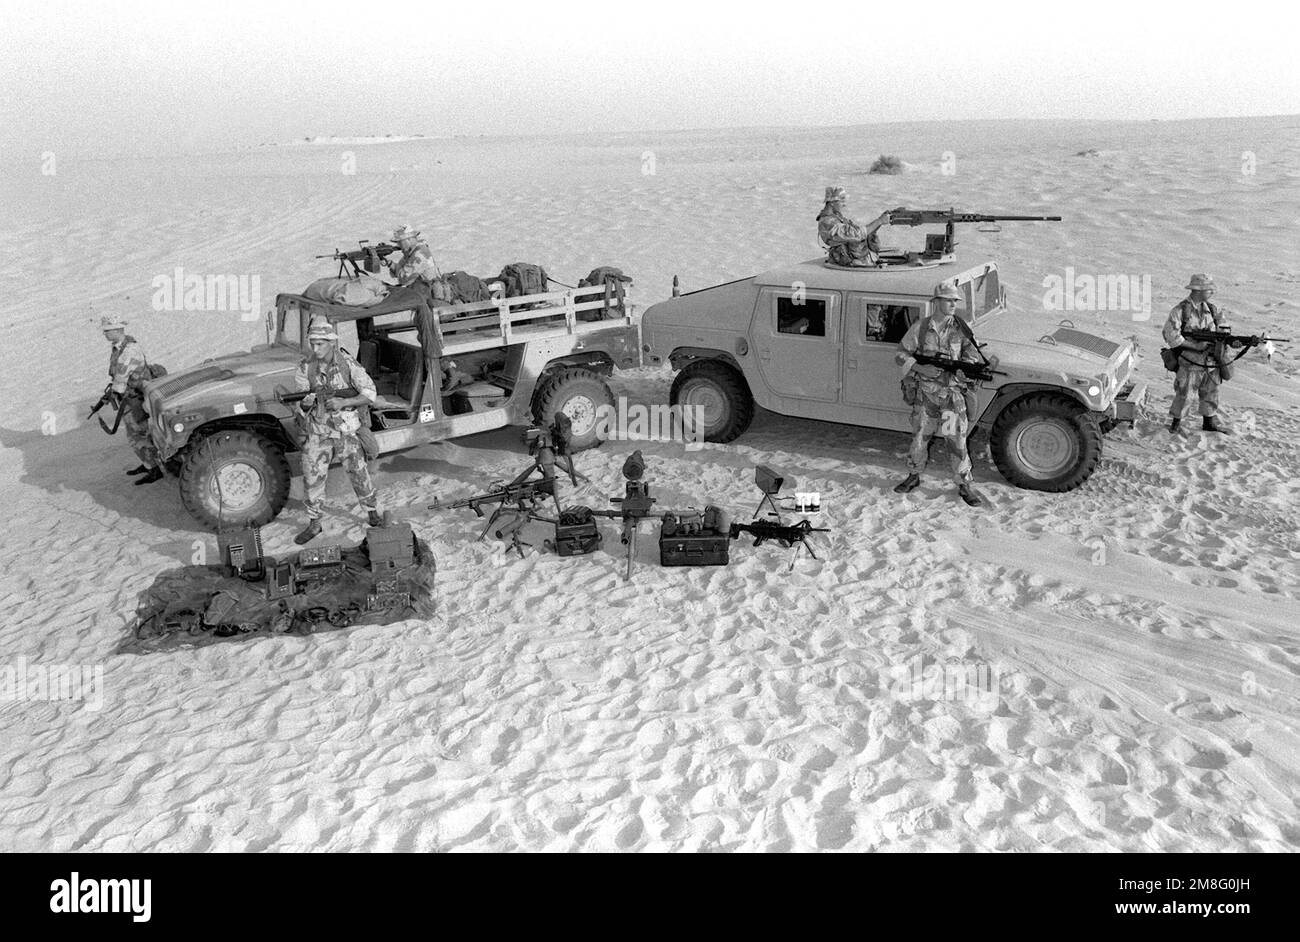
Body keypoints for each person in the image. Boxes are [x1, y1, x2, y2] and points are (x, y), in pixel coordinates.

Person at [893, 283, 989, 506]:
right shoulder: (922, 327)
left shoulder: (961, 328)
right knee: (920, 438)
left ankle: (964, 484)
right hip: (926, 395)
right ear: (936, 302)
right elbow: (900, 355)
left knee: (956, 440)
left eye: (955, 301)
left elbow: (972, 354)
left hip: (951, 397)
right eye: (949, 300)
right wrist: (920, 368)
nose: (953, 305)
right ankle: (914, 475)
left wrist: (964, 367)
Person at [293, 317, 383, 544]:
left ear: (331, 342)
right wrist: (308, 401)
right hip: (318, 432)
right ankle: (314, 524)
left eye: (320, 344)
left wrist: (342, 403)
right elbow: (300, 401)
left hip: (346, 431)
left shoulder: (347, 365)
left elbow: (370, 393)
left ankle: (373, 514)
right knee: (312, 479)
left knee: (359, 474)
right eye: (312, 344)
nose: (315, 349)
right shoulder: (306, 367)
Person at [98, 315, 164, 485]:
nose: (105, 334)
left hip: (136, 399)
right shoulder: (120, 347)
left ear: (117, 330)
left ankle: (154, 468)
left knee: (139, 434)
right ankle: (148, 463)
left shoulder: (128, 351)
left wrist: (113, 393)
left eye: (107, 331)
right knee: (138, 433)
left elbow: (120, 382)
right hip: (132, 397)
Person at [1162, 273, 1228, 434]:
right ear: (1198, 291)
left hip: (1210, 363)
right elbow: (1170, 335)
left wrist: (1227, 341)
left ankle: (1209, 422)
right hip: (1190, 362)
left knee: (1211, 392)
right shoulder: (1180, 311)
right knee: (1184, 394)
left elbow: (1224, 330)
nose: (1212, 292)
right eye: (1208, 289)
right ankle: (1176, 423)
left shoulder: (1213, 310)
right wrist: (1195, 346)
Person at [816, 188, 893, 267]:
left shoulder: (837, 218)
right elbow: (856, 234)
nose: (844, 204)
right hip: (851, 262)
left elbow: (860, 232)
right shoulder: (828, 222)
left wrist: (880, 223)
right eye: (841, 201)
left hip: (860, 259)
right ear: (832, 203)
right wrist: (879, 221)